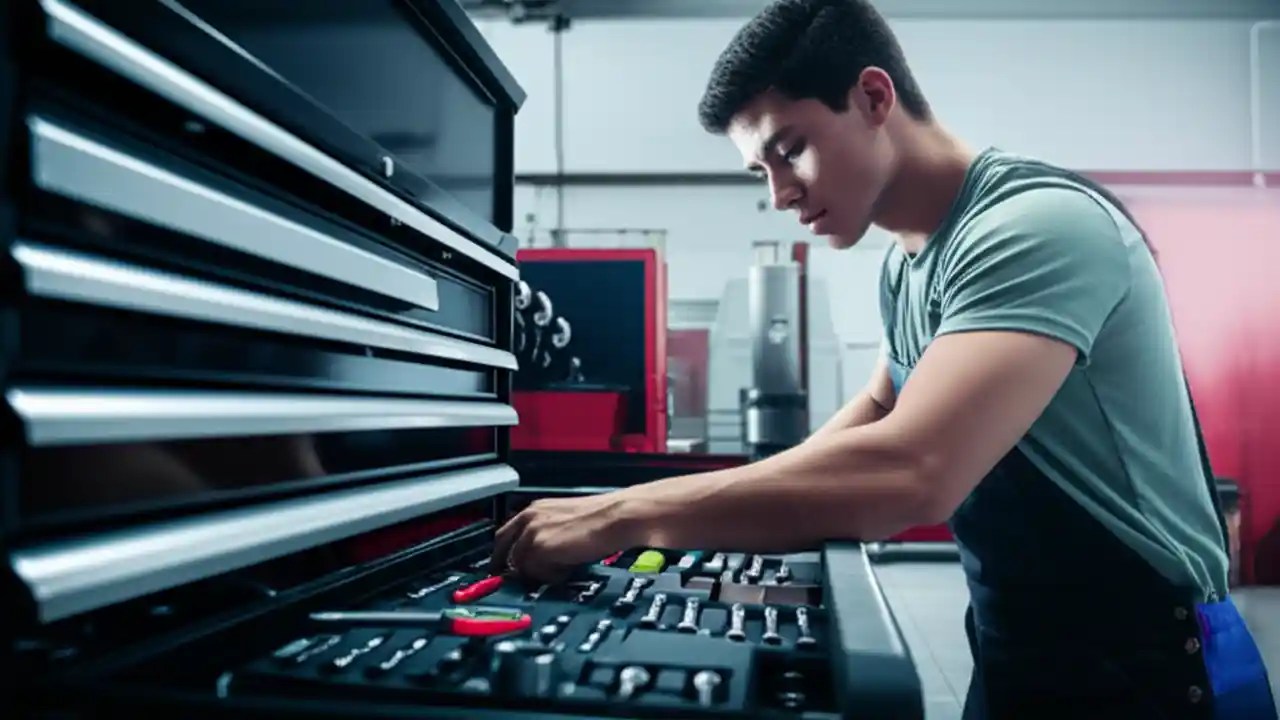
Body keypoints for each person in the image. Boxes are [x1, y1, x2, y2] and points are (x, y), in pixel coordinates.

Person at [490, 0, 1277, 717]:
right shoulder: (907, 266)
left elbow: (913, 470)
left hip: (1156, 671)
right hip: (1021, 650)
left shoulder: (1035, 227)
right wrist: (695, 526)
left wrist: (623, 513)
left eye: (788, 151)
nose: (778, 194)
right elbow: (874, 414)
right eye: (759, 172)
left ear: (873, 98)